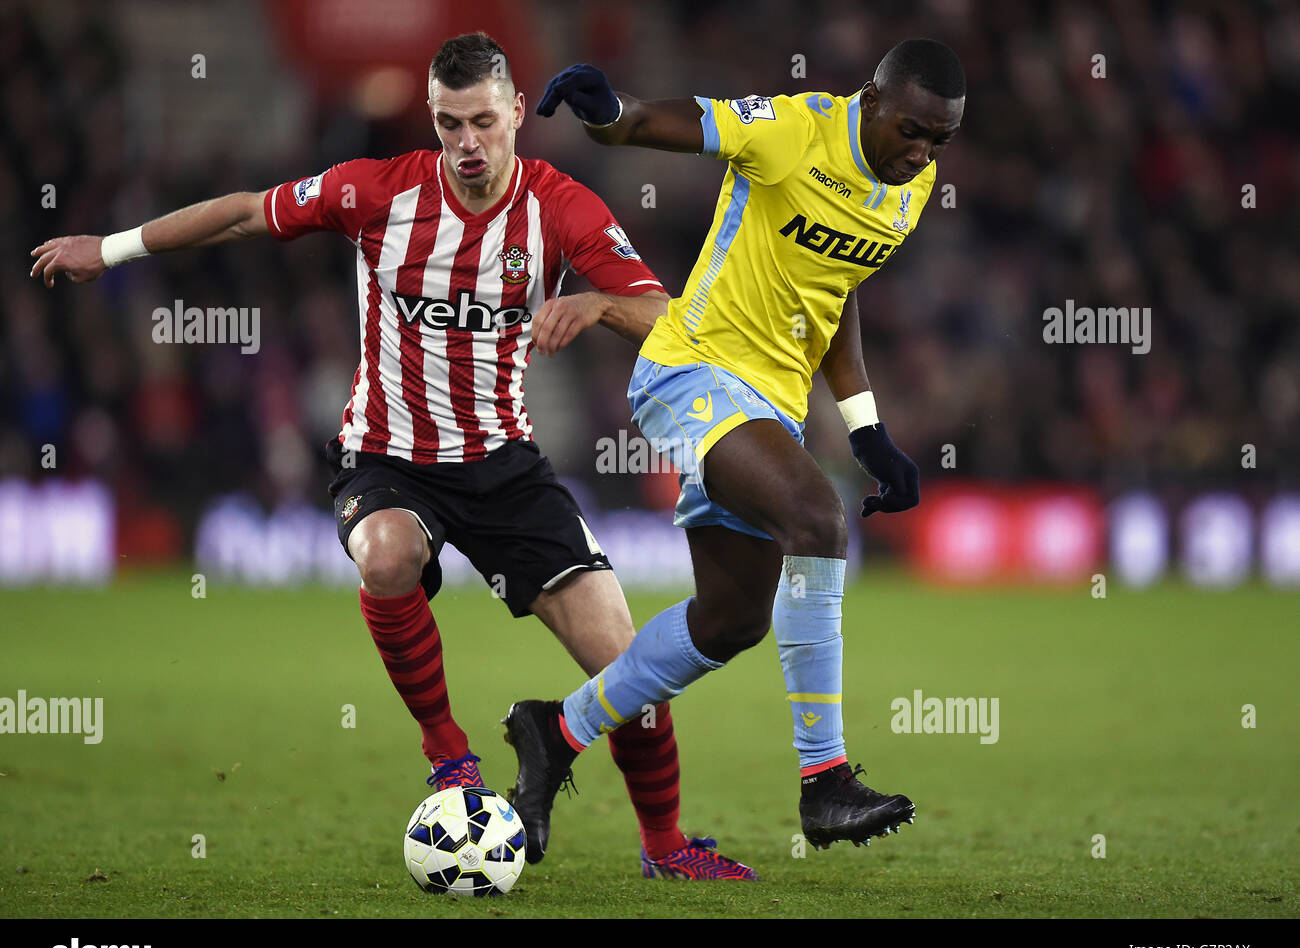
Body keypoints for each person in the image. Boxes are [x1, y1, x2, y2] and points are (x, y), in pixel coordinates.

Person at [29, 31, 756, 881]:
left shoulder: (563, 208)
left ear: (518, 112)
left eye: (484, 120)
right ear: (432, 119)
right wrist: (109, 249)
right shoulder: (375, 192)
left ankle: (667, 849)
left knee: (632, 673)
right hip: (387, 457)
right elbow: (242, 212)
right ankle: (450, 756)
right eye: (449, 124)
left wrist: (595, 304)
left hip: (505, 467)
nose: (468, 144)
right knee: (386, 554)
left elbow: (665, 319)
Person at [503, 39, 965, 858]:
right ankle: (825, 782)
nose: (922, 153)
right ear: (872, 99)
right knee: (818, 521)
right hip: (697, 369)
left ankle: (555, 731)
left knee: (730, 621)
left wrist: (867, 429)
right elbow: (655, 123)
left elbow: (835, 287)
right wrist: (609, 113)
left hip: (768, 410)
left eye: (940, 140)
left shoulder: (910, 184)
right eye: (912, 130)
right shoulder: (794, 129)